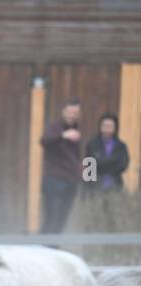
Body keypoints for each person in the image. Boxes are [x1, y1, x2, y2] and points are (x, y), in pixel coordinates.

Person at [39, 98, 83, 234]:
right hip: (55, 180)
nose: (72, 115)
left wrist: (87, 178)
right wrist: (63, 135)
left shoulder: (77, 131)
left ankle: (54, 248)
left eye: (76, 113)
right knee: (52, 217)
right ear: (63, 111)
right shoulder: (56, 127)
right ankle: (44, 248)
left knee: (62, 219)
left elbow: (80, 159)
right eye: (70, 112)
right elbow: (44, 140)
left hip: (71, 182)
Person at [85, 112, 130, 193]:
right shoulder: (92, 144)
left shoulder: (121, 146)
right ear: (100, 127)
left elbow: (123, 165)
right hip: (95, 188)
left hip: (115, 186)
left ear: (115, 128)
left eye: (110, 126)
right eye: (105, 126)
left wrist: (101, 163)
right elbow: (88, 167)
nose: (107, 129)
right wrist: (89, 188)